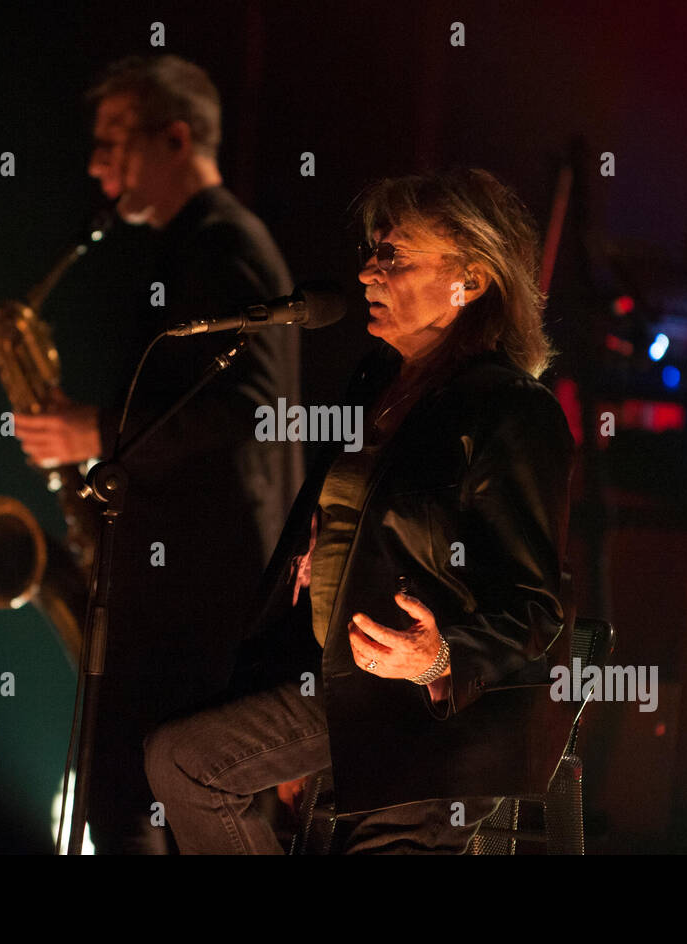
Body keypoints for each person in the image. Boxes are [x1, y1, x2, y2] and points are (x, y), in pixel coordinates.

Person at [144, 168, 577, 853]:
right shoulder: (376, 384)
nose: (369, 274)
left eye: (394, 257)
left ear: (471, 277)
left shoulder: (511, 410)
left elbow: (534, 605)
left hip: (416, 724)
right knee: (185, 759)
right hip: (338, 696)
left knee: (186, 760)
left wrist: (440, 660)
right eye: (372, 253)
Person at [13, 55, 302, 853]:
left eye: (115, 140)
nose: (97, 163)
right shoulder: (190, 247)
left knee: (144, 805)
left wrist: (98, 434)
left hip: (204, 601)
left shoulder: (225, 243)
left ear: (176, 138)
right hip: (178, 590)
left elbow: (250, 412)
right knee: (125, 801)